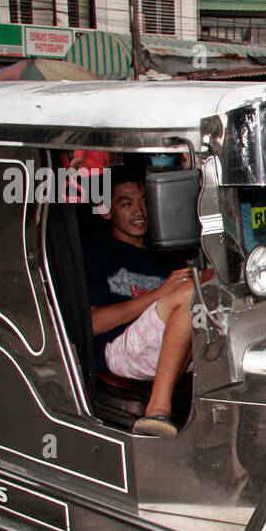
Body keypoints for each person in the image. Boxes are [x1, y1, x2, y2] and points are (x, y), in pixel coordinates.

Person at [85, 175, 209, 437]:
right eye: (126, 204)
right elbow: (92, 323)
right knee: (190, 294)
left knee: (210, 281)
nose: (139, 212)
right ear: (107, 211)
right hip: (119, 352)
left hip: (181, 347)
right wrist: (160, 293)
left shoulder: (167, 253)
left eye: (144, 202)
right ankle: (157, 410)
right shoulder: (97, 250)